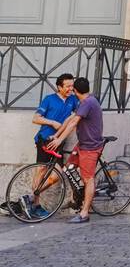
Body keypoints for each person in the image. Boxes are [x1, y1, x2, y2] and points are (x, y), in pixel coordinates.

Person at [23, 73, 78, 218]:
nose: (70, 89)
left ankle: (30, 197)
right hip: (44, 139)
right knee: (41, 170)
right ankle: (35, 204)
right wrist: (52, 122)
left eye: (72, 85)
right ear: (59, 87)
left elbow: (79, 113)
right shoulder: (49, 99)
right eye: (67, 86)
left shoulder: (73, 99)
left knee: (57, 175)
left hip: (59, 142)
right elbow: (36, 118)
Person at [52, 77, 104, 225]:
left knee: (88, 179)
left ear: (75, 91)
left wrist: (59, 140)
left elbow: (74, 122)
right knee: (68, 169)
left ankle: (84, 213)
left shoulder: (88, 103)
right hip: (82, 145)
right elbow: (71, 119)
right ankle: (79, 197)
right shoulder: (87, 100)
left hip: (90, 147)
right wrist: (56, 135)